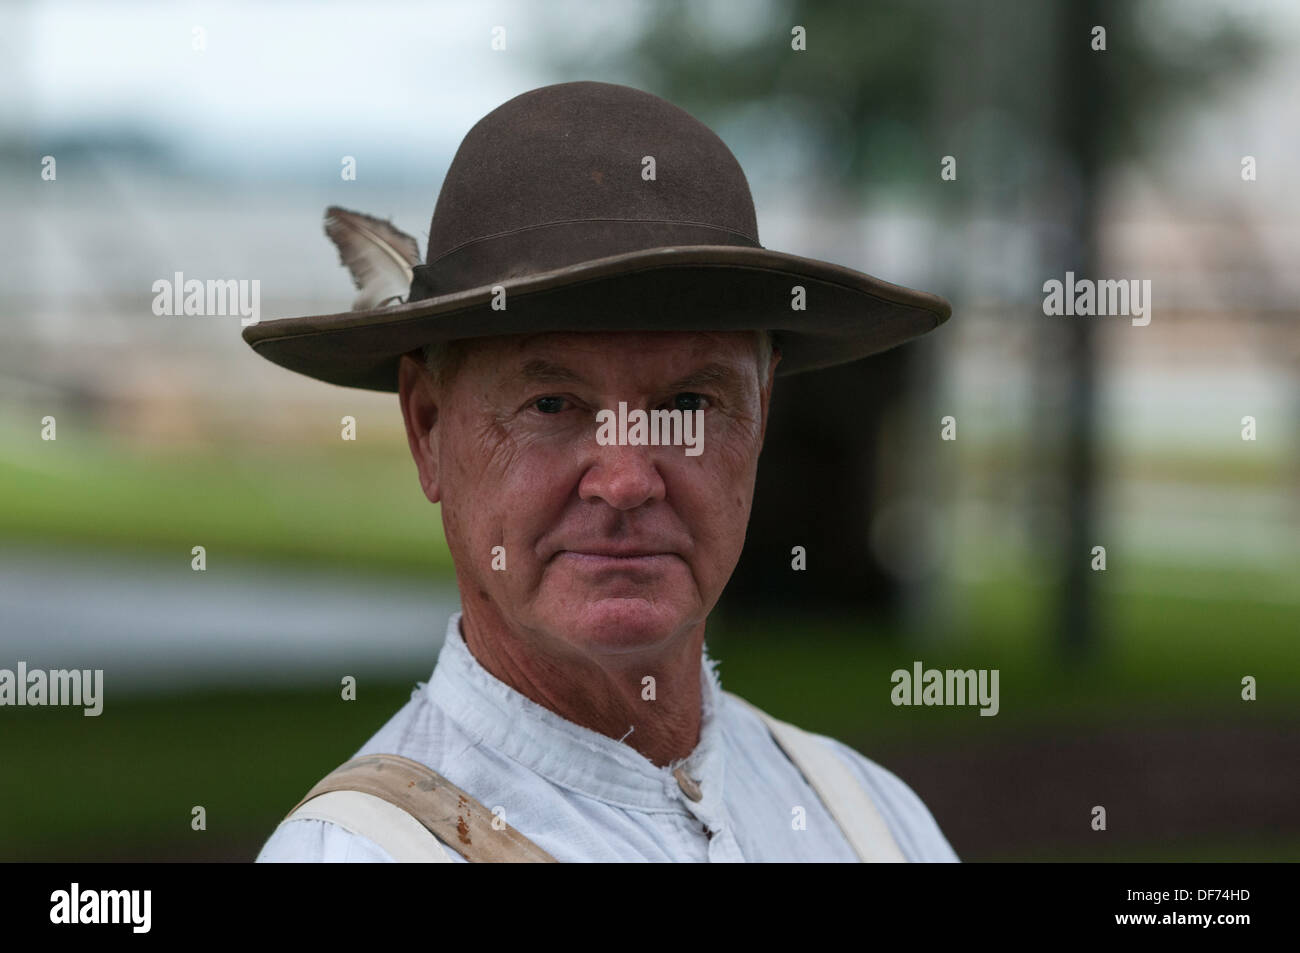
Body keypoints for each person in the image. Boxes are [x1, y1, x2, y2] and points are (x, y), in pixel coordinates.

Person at [245, 80, 957, 862]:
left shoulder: (874, 822)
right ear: (429, 427)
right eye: (552, 403)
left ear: (759, 416)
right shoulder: (359, 854)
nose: (625, 480)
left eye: (688, 401)